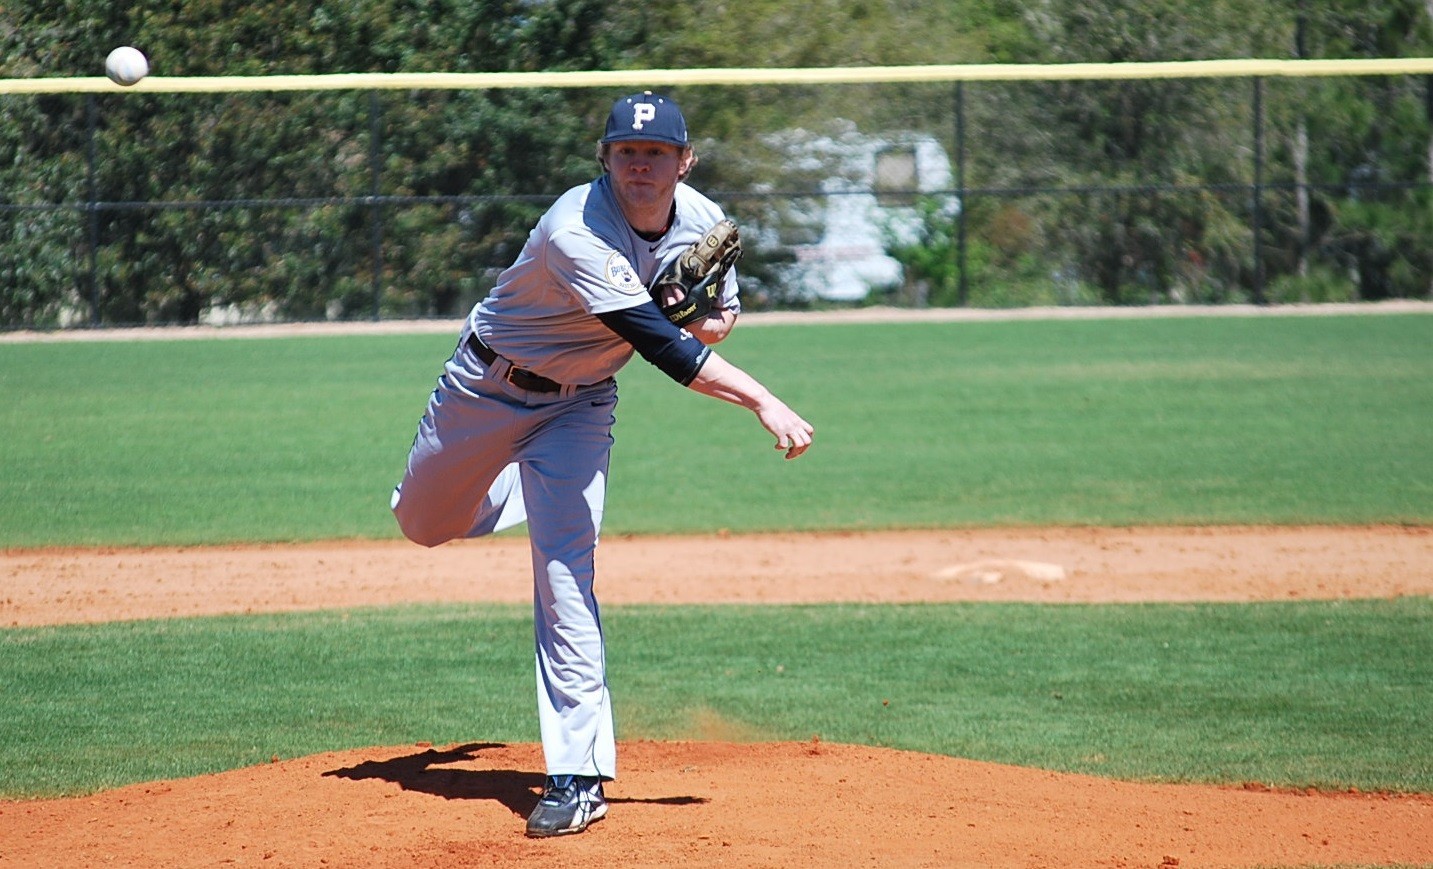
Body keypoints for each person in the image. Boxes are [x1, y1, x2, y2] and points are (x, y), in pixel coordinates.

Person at [390, 91, 814, 838]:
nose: (640, 165)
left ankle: (575, 776)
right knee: (422, 523)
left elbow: (715, 321)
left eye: (656, 154)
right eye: (626, 152)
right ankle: (512, 486)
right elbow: (665, 347)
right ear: (605, 159)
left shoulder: (701, 219)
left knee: (565, 576)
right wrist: (763, 402)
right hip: (484, 387)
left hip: (576, 409)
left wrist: (697, 307)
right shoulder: (572, 229)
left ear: (684, 161)